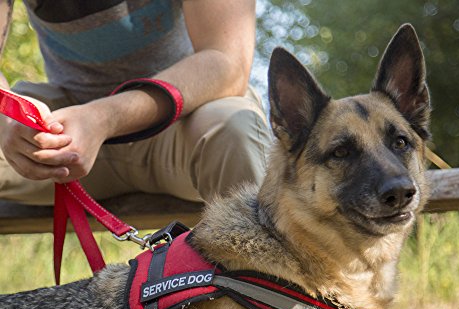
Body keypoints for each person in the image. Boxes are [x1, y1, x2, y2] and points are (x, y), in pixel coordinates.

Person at [0, 0, 271, 206]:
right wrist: (8, 120)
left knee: (236, 129)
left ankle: (266, 279)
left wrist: (103, 118)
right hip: (66, 132)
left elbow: (228, 63)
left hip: (185, 123)